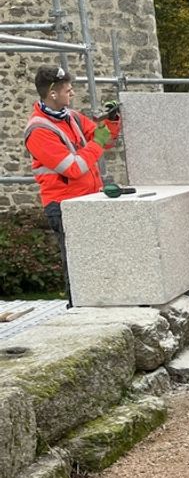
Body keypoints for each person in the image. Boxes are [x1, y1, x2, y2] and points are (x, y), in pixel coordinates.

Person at [23, 66, 120, 306]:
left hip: (87, 199)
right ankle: (77, 310)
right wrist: (97, 142)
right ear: (53, 94)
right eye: (68, 90)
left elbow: (104, 140)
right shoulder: (38, 131)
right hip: (63, 206)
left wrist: (112, 121)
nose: (72, 94)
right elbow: (74, 168)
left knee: (98, 262)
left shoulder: (72, 117)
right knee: (78, 269)